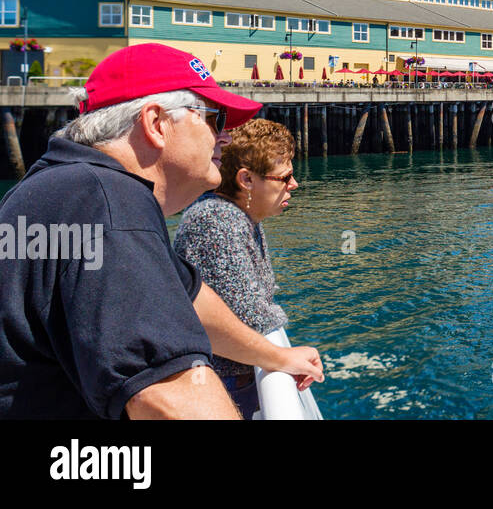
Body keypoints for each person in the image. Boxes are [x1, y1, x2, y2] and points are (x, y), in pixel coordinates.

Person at [0, 44, 323, 419]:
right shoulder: (107, 199)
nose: (226, 138)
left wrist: (277, 356)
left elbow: (192, 299)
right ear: (156, 123)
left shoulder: (68, 186)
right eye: (215, 120)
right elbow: (168, 395)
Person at [174, 119, 302, 419]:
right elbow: (250, 315)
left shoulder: (239, 218)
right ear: (246, 180)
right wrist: (288, 354)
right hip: (222, 387)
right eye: (285, 176)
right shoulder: (218, 222)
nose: (294, 184)